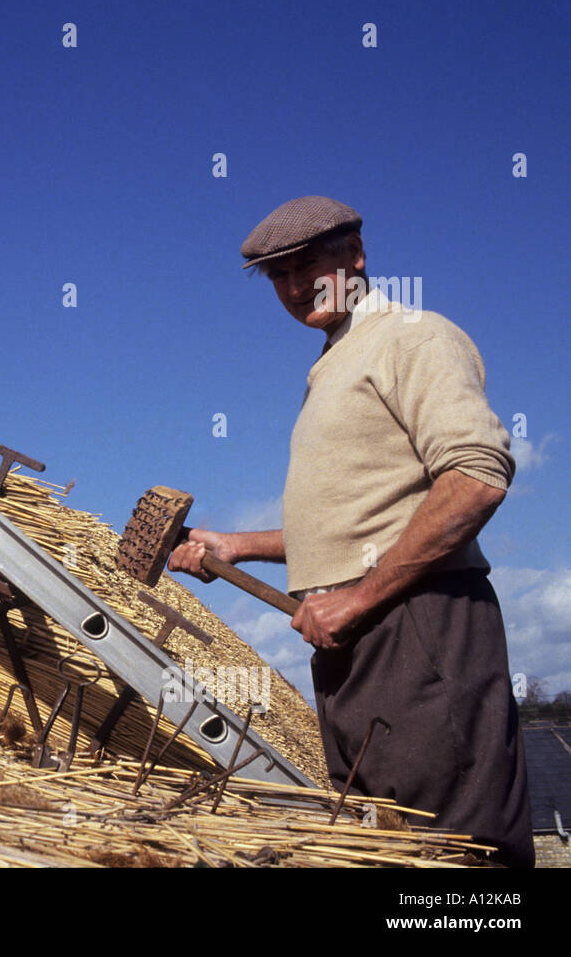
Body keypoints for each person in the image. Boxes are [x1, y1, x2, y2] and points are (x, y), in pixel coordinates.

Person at [168, 196, 534, 867]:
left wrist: (359, 598)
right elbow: (353, 519)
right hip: (348, 643)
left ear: (355, 257)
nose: (292, 286)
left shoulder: (410, 336)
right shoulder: (335, 361)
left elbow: (477, 475)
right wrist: (236, 546)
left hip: (417, 629)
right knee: (378, 845)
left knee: (454, 849)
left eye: (306, 264)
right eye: (276, 275)